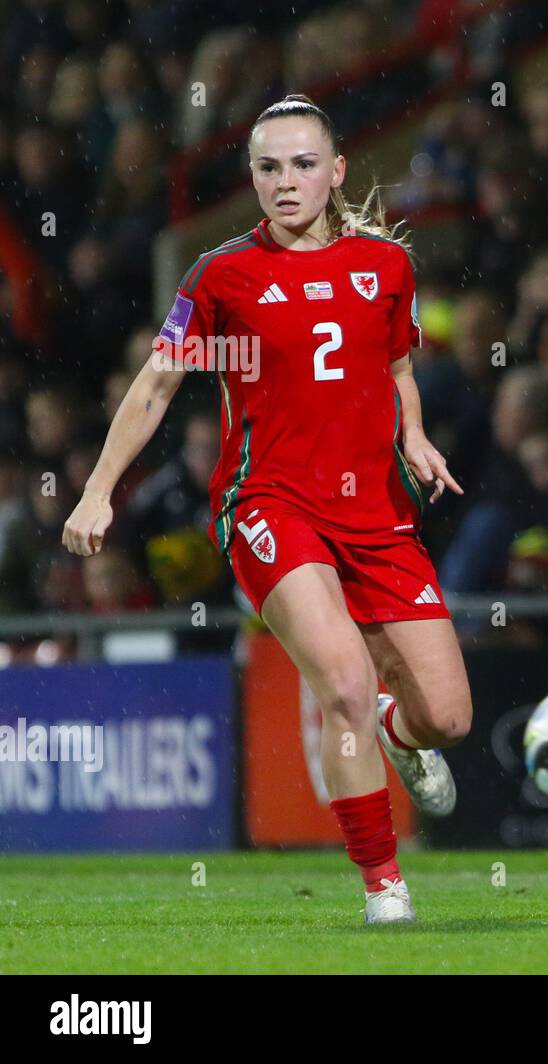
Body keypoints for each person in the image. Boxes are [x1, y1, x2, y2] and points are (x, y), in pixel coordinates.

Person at [62, 95, 473, 926]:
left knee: (449, 718)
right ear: (251, 176)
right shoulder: (221, 276)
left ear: (338, 171)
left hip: (378, 511)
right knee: (346, 684)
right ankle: (384, 884)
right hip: (270, 503)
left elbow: (395, 368)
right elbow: (157, 385)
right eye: (268, 168)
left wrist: (418, 437)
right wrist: (99, 487)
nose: (287, 184)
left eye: (303, 165)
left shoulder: (385, 267)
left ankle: (401, 727)